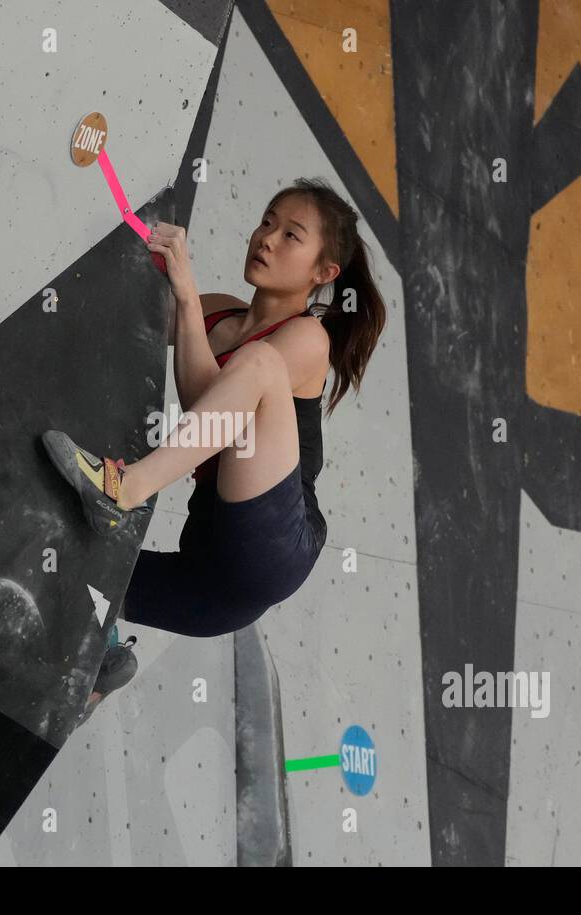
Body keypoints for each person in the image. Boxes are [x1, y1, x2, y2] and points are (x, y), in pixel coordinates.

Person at [43, 177, 386, 721]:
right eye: (267, 221)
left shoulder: (307, 339)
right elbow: (125, 323)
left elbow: (212, 413)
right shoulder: (220, 311)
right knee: (65, 566)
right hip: (209, 583)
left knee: (257, 364)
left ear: (323, 274)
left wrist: (184, 294)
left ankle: (122, 491)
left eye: (291, 235)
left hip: (272, 548)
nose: (266, 238)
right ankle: (103, 663)